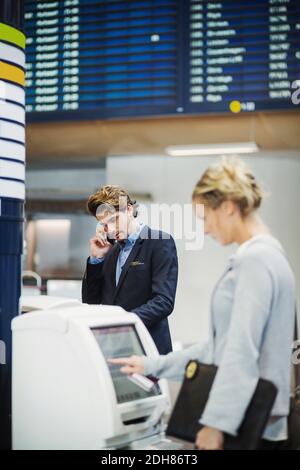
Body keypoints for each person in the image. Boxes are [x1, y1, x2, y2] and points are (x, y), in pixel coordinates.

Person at [109, 157, 295, 450]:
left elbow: (239, 352)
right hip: (256, 420)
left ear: (229, 207)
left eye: (205, 218)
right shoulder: (271, 255)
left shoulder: (255, 261)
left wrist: (215, 424)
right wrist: (150, 364)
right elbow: (219, 346)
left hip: (248, 426)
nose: (205, 230)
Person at [82, 185, 178, 354]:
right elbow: (92, 303)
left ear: (128, 209)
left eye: (114, 220)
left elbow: (163, 302)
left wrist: (124, 323)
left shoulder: (159, 242)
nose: (110, 230)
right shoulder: (110, 252)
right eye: (104, 225)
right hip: (113, 349)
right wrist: (96, 260)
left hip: (148, 348)